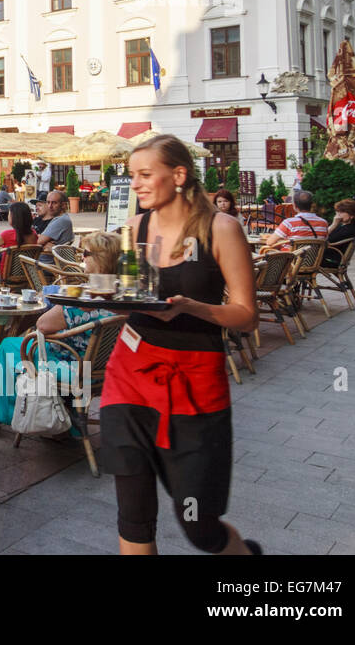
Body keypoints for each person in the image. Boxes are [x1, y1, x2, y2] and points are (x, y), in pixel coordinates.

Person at [98, 133, 260, 555]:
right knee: (133, 514)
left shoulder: (220, 229)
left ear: (179, 175)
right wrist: (107, 295)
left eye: (145, 174)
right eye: (132, 175)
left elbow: (246, 314)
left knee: (198, 525)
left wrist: (194, 308)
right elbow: (132, 297)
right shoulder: (134, 227)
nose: (135, 183)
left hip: (194, 382)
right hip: (129, 374)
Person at [0, 231, 122, 436]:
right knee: (25, 347)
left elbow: (43, 324)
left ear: (101, 260)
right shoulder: (125, 295)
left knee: (10, 346)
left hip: (75, 367)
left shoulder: (86, 298)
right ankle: (62, 416)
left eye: (86, 253)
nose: (82, 257)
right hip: (107, 369)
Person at [263, 189, 329, 247]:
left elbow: (269, 242)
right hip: (313, 260)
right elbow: (325, 242)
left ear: (294, 206)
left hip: (291, 259)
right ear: (312, 204)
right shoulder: (323, 223)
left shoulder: (289, 223)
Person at [324, 199, 355, 267]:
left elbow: (323, 238)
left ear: (352, 215)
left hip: (331, 260)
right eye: (337, 211)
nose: (337, 214)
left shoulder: (349, 230)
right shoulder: (344, 226)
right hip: (329, 257)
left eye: (341, 212)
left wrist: (333, 225)